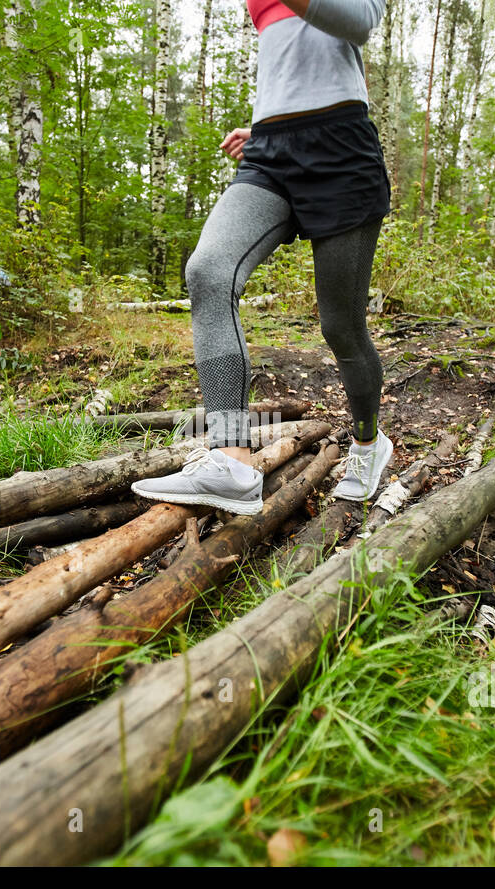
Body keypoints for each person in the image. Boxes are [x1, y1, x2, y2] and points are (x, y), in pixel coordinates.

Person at [131, 0, 393, 516]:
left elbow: (359, 22)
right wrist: (273, 126)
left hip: (342, 153)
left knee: (341, 326)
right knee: (208, 271)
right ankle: (230, 458)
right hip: (271, 154)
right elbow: (292, 54)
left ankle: (368, 443)